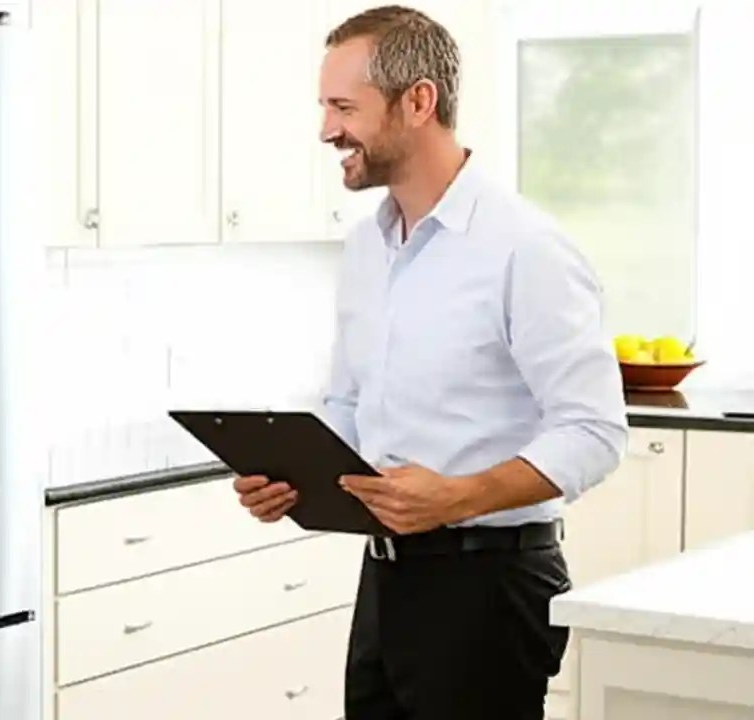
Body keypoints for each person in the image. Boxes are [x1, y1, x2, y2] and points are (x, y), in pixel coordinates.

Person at [231, 5, 629, 719]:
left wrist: (459, 496)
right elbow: (351, 403)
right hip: (385, 582)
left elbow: (595, 431)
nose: (326, 130)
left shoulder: (525, 247)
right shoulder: (366, 248)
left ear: (418, 101)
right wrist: (294, 477)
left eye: (344, 107)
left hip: (491, 586)